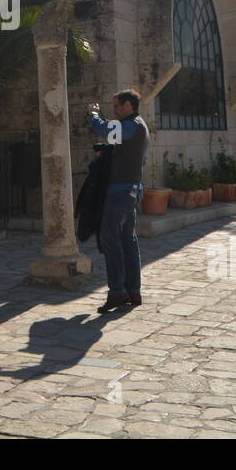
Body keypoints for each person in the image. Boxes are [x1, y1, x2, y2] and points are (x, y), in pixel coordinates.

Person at [87, 89, 149, 314]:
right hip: (130, 191)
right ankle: (133, 291)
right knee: (128, 241)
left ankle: (117, 291)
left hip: (120, 193)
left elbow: (104, 129)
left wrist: (94, 115)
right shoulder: (136, 125)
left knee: (110, 240)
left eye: (116, 106)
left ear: (128, 106)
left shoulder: (133, 125)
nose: (114, 110)